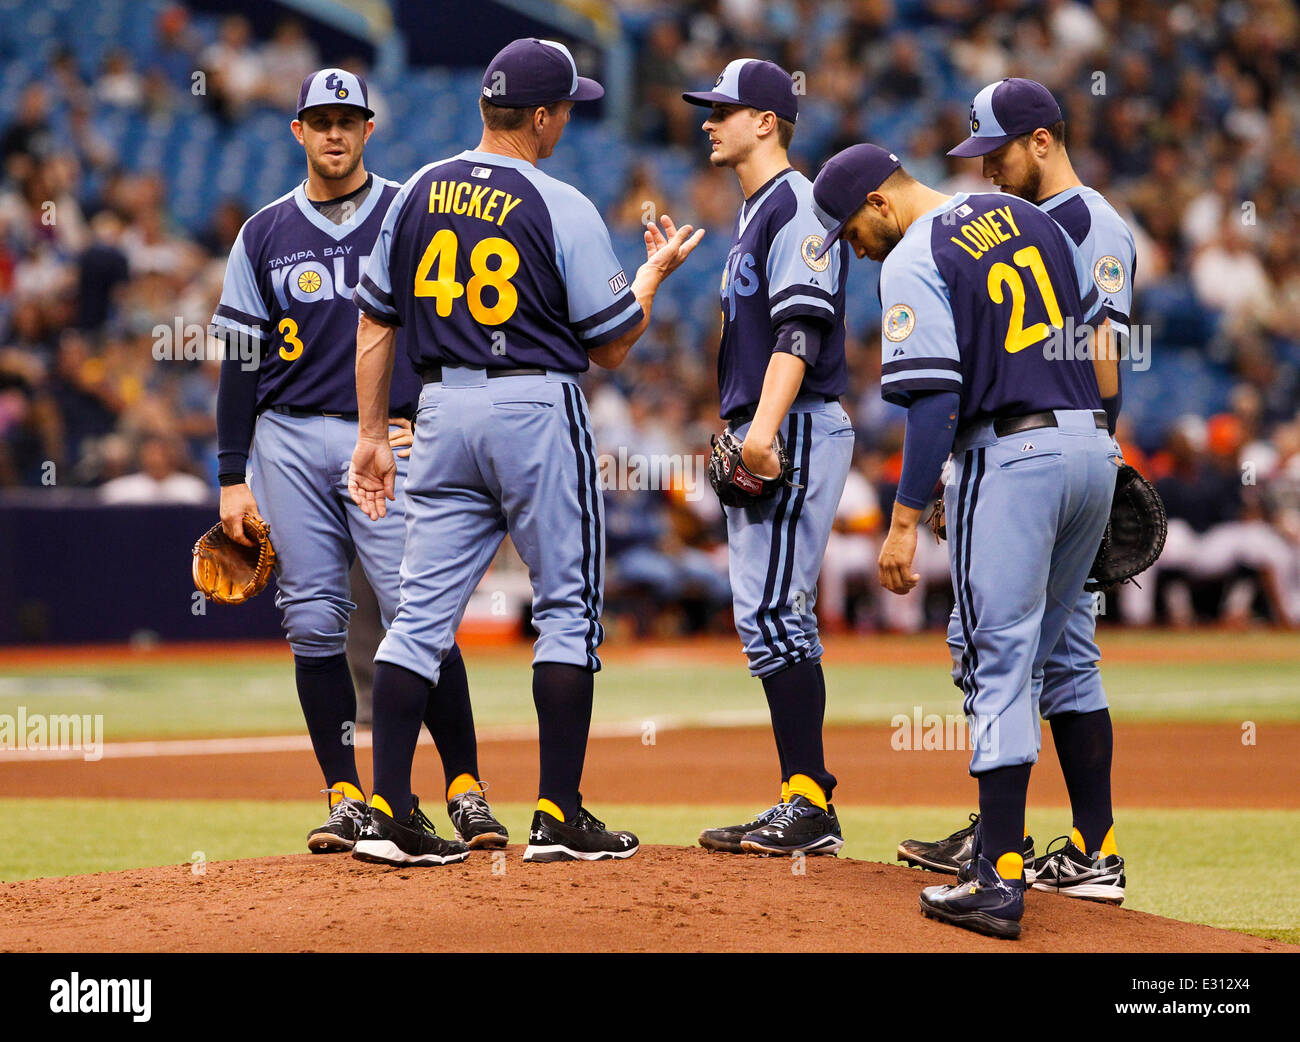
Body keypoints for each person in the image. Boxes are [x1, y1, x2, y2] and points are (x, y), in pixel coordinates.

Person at [348, 38, 703, 865]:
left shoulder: (413, 194)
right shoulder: (561, 202)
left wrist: (371, 434)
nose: (568, 119)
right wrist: (649, 278)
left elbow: (374, 320)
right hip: (534, 404)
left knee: (419, 620)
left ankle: (390, 812)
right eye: (565, 107)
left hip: (439, 409)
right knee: (568, 608)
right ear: (540, 116)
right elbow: (610, 346)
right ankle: (558, 813)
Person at [813, 142, 1118, 939]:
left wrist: (906, 518)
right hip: (1090, 445)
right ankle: (1090, 851)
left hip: (1011, 453)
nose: (852, 246)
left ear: (880, 202)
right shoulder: (1030, 218)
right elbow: (1099, 349)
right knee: (1053, 658)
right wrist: (1091, 450)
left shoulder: (914, 255)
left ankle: (998, 877)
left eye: (849, 229)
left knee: (997, 661)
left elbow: (935, 398)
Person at [209, 68, 505, 861]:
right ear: (297, 131)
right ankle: (346, 795)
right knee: (312, 620)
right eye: (320, 119)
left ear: (369, 129)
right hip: (289, 439)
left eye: (348, 119)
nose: (334, 132)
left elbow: (459, 319)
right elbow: (240, 358)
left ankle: (465, 786)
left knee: (421, 613)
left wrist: (427, 414)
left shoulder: (409, 212)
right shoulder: (264, 232)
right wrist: (232, 475)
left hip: (388, 437)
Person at [897, 79, 1133, 905]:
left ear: (1041, 140)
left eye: (996, 152)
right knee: (1054, 655)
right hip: (1055, 454)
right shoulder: (1034, 221)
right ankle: (1051, 844)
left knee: (1008, 649)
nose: (987, 169)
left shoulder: (1087, 221)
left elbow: (1102, 355)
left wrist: (1096, 451)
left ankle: (1021, 854)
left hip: (1043, 456)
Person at [680, 59, 855, 857]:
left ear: (766, 121)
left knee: (776, 613)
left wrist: (762, 432)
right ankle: (803, 794)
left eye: (724, 110)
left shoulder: (799, 203)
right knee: (768, 616)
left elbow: (801, 330)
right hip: (777, 421)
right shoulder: (757, 210)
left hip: (795, 424)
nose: (709, 121)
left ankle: (809, 801)